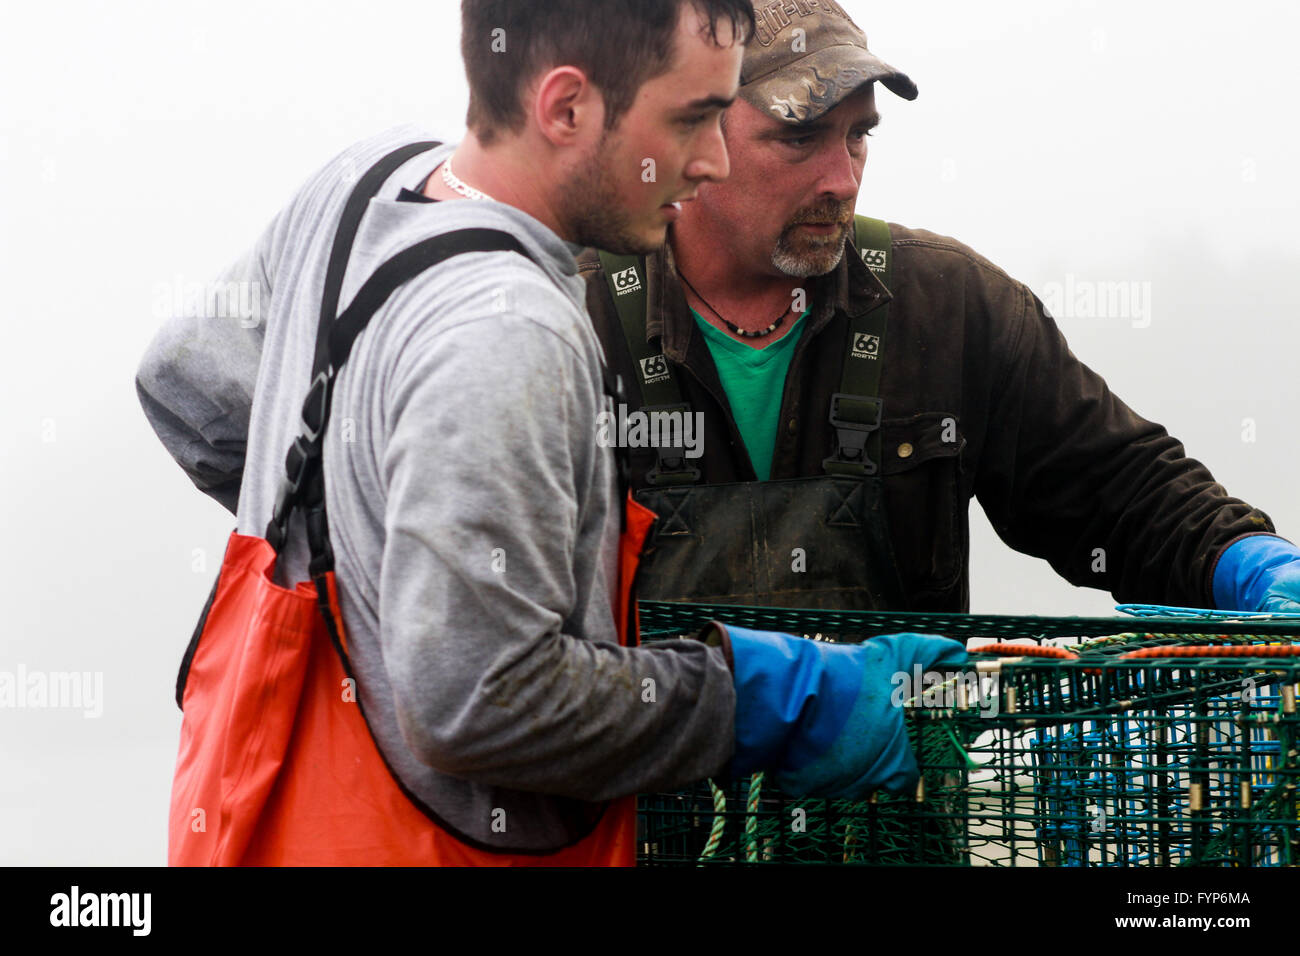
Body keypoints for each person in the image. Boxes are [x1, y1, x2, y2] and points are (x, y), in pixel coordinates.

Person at [135, 0, 965, 866]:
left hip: (251, 815)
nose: (712, 158)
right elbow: (480, 701)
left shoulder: (361, 184)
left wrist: (391, 557)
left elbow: (184, 380)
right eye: (692, 118)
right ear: (567, 108)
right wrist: (775, 698)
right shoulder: (512, 330)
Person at [578, 0, 1300, 617]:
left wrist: (1248, 562)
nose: (842, 178)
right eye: (800, 137)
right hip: (653, 777)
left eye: (859, 135)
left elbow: (1123, 497)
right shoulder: (571, 322)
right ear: (693, 134)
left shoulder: (950, 305)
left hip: (904, 780)